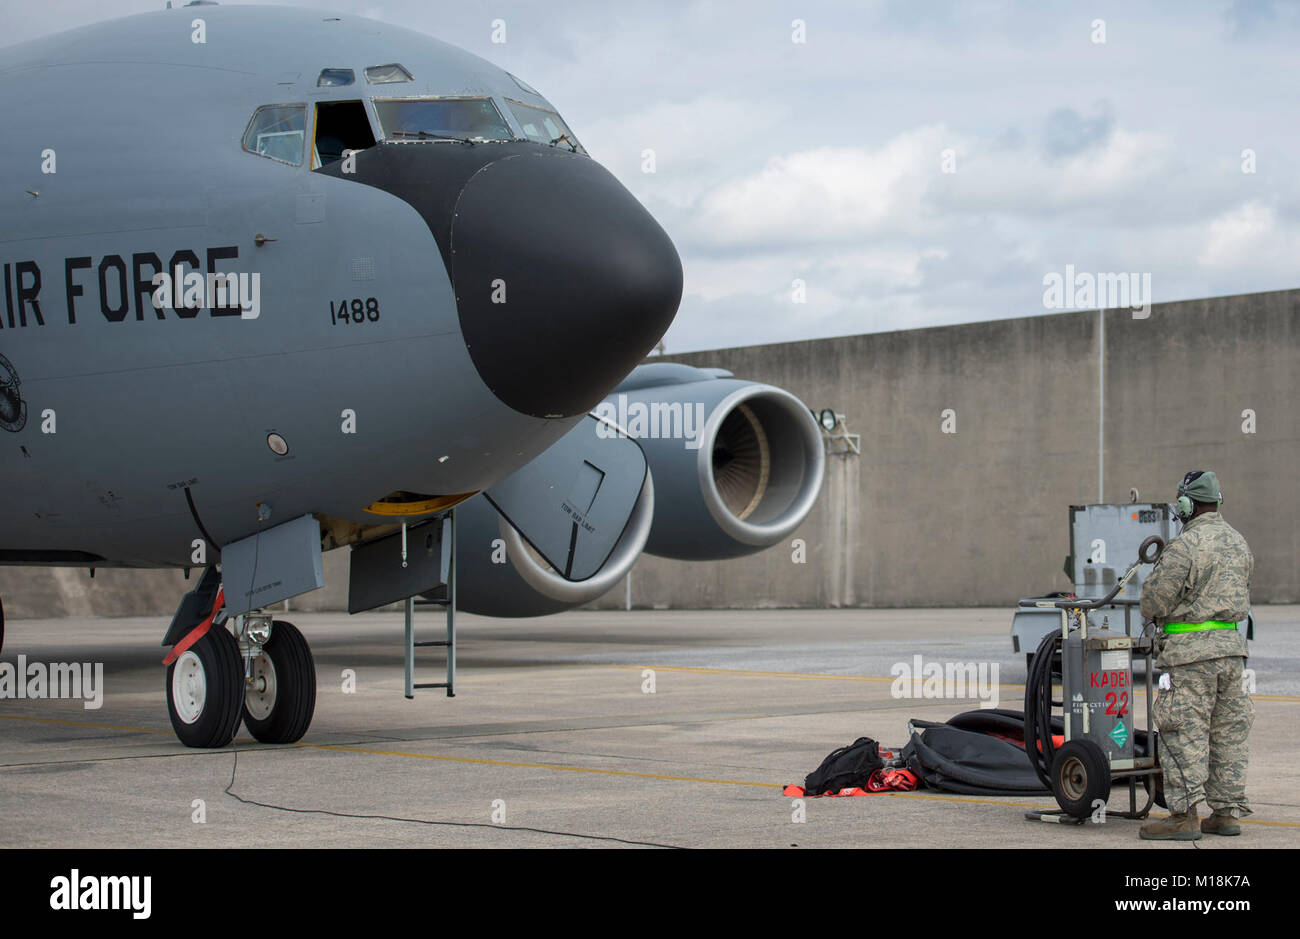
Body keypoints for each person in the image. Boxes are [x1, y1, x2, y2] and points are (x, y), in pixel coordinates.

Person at [1138, 470, 1254, 840]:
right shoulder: (1239, 542)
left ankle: (1183, 816)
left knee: (1182, 731)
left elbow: (1153, 603)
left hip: (1190, 659)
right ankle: (1226, 813)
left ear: (1187, 504)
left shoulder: (1186, 546)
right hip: (1233, 656)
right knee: (1228, 733)